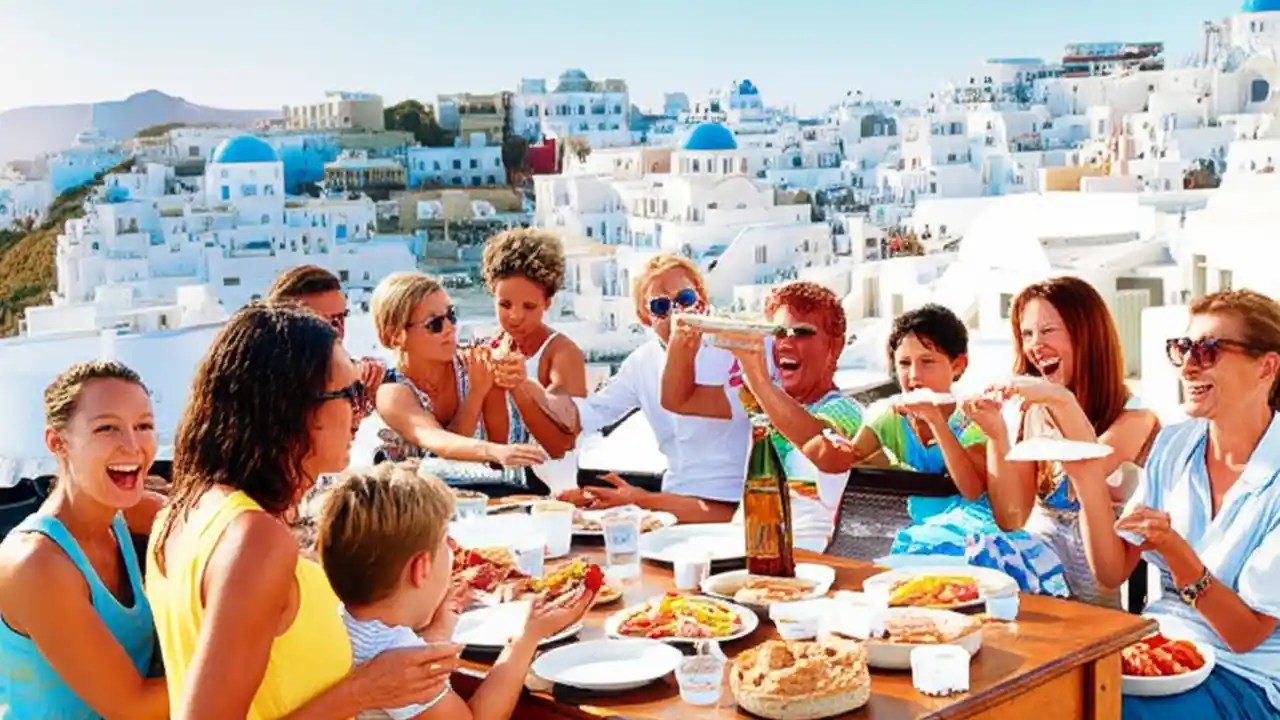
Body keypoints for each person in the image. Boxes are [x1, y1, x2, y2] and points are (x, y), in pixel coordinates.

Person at [146, 303, 459, 719]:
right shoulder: (254, 540)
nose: (360, 412)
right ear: (296, 409)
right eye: (350, 395)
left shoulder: (181, 514)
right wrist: (362, 691)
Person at [1047, 290, 1280, 719]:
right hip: (1154, 644)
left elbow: (1245, 635)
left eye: (1209, 350)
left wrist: (1175, 550)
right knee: (1045, 699)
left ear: (1266, 367)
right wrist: (1088, 480)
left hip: (1247, 678)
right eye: (1183, 348)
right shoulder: (1176, 444)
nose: (1189, 365)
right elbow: (1112, 570)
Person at [317, 461, 596, 720]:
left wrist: (444, 619)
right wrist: (528, 637)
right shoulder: (401, 659)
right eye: (445, 540)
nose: (453, 547)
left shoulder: (339, 623)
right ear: (421, 568)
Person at [501, 253, 751, 522]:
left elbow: (687, 400)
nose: (677, 313)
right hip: (673, 502)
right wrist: (530, 387)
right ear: (645, 317)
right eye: (660, 306)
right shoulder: (642, 363)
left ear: (701, 298)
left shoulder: (735, 350)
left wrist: (638, 499)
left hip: (739, 500)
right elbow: (586, 414)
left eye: (685, 299)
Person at [966, 276, 1160, 608]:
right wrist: (996, 435)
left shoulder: (1136, 417)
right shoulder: (1034, 412)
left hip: (1097, 584)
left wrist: (1060, 398)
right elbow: (1012, 517)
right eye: (1027, 334)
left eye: (1047, 331)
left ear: (1087, 333)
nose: (1034, 345)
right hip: (1039, 574)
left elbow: (1085, 474)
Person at [849, 305, 1067, 595]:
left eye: (927, 362)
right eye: (904, 363)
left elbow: (972, 489)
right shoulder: (888, 415)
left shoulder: (970, 417)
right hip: (925, 530)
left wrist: (936, 422)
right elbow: (850, 458)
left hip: (975, 527)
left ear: (958, 366)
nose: (914, 375)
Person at [0, 361, 167, 718]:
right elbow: (132, 706)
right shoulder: (36, 564)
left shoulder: (130, 515)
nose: (133, 445)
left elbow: (217, 527)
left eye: (144, 426)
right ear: (57, 443)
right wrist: (248, 655)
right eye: (107, 428)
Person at [664, 280, 862, 551]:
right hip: (745, 543)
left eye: (802, 333)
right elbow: (679, 399)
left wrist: (757, 377)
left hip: (805, 551)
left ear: (834, 347)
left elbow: (825, 451)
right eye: (778, 333)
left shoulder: (845, 410)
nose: (786, 344)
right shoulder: (759, 400)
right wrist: (681, 343)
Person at [370, 271, 545, 468]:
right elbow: (440, 444)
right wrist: (476, 395)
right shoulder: (393, 393)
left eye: (450, 316)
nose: (450, 328)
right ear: (396, 337)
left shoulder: (474, 362)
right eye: (434, 324)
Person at [481, 229, 588, 458]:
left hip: (549, 476)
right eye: (505, 304)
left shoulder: (562, 353)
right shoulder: (491, 348)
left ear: (547, 303)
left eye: (529, 306)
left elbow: (564, 445)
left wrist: (521, 386)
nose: (515, 316)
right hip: (502, 473)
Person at [267, 264, 386, 418]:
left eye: (340, 318)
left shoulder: (355, 380)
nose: (336, 329)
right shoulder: (263, 388)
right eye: (319, 321)